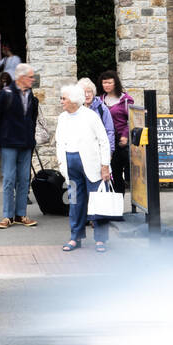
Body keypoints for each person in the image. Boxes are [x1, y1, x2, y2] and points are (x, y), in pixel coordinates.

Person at [56, 84, 113, 253]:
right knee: (74, 202)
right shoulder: (62, 118)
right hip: (71, 165)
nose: (61, 102)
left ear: (73, 100)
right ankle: (75, 237)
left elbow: (104, 141)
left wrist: (105, 166)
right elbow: (59, 141)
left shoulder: (90, 116)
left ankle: (101, 239)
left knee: (97, 202)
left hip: (92, 166)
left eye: (63, 98)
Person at [0, 62, 40, 229]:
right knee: (9, 179)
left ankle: (20, 214)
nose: (33, 79)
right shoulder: (5, 94)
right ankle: (7, 216)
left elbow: (32, 117)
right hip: (9, 143)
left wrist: (32, 139)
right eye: (31, 77)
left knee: (24, 179)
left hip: (26, 144)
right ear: (21, 78)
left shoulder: (31, 95)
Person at [99, 70, 135, 196]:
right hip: (107, 140)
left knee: (123, 172)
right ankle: (114, 204)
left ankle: (124, 202)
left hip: (121, 141)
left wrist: (125, 135)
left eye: (109, 82)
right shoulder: (100, 100)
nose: (106, 85)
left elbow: (131, 120)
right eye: (104, 83)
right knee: (113, 172)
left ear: (115, 83)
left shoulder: (126, 100)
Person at [78, 78, 116, 156]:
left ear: (93, 92)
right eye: (83, 92)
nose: (87, 95)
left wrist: (109, 151)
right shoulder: (77, 109)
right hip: (82, 151)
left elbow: (110, 131)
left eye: (89, 91)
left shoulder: (102, 108)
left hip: (99, 150)